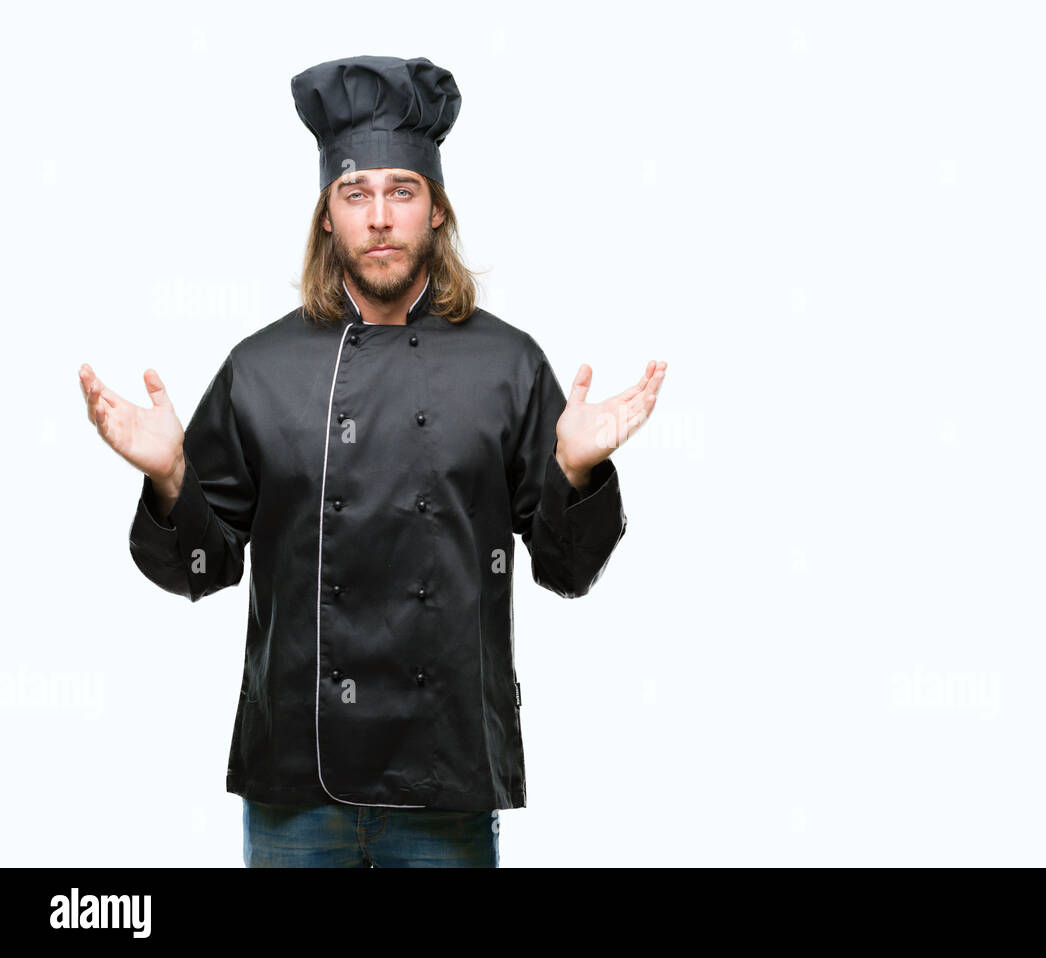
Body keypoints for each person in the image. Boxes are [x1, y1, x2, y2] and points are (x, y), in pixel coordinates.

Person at [77, 55, 667, 868]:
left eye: (402, 191)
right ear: (328, 216)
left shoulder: (509, 366)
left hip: (446, 779)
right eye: (356, 194)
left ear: (435, 212)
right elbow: (202, 568)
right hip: (294, 790)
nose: (379, 217)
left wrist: (576, 473)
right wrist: (170, 479)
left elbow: (566, 571)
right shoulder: (260, 369)